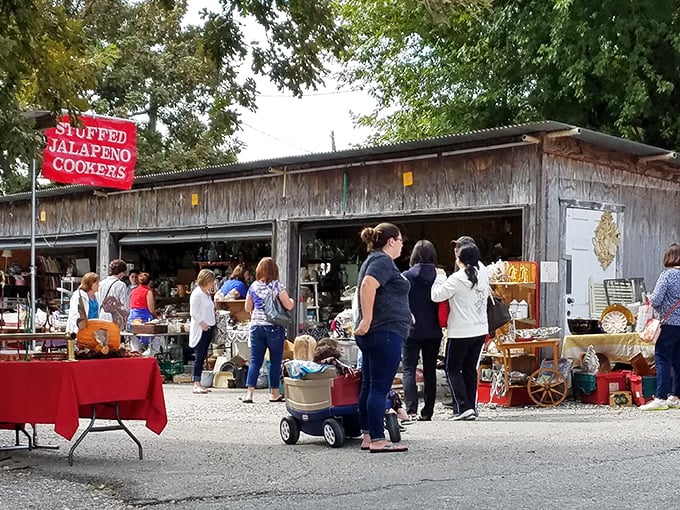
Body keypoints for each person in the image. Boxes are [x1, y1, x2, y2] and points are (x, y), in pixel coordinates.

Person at [354, 222, 411, 453]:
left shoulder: (373, 260)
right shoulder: (382, 261)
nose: (401, 245)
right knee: (379, 387)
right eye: (400, 241)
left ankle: (368, 435)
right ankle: (378, 439)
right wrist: (367, 319)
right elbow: (368, 286)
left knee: (369, 386)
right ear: (391, 241)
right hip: (384, 331)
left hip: (377, 331)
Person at [431, 243, 489, 421]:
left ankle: (463, 407)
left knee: (452, 368)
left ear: (459, 260)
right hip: (480, 328)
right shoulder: (484, 274)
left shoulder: (456, 278)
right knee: (470, 369)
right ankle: (471, 406)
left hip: (461, 330)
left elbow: (436, 295)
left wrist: (440, 277)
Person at [242, 257, 295, 403]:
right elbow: (288, 305)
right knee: (275, 361)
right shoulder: (276, 286)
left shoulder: (253, 286)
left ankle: (249, 394)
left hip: (256, 327)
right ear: (274, 271)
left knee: (255, 361)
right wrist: (292, 301)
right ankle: (274, 394)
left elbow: (247, 308)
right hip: (273, 327)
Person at [401, 240, 441, 422]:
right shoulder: (439, 276)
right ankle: (428, 411)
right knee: (430, 370)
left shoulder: (406, 276)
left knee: (409, 369)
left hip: (412, 329)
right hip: (434, 329)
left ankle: (411, 410)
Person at [641, 243, 680, 411]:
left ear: (668, 258)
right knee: (678, 360)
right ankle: (675, 396)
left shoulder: (666, 276)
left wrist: (650, 299)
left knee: (662, 358)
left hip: (669, 324)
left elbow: (656, 300)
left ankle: (661, 397)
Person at [189, 269, 217, 394]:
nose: (214, 283)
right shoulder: (197, 294)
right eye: (212, 281)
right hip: (202, 328)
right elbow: (193, 312)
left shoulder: (206, 293)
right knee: (199, 356)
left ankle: (199, 382)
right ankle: (196, 382)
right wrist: (202, 323)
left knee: (203, 354)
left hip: (208, 327)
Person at [97, 258, 130, 331]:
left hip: (101, 316)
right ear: (122, 273)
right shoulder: (121, 285)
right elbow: (124, 306)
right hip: (115, 318)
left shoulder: (101, 283)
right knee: (114, 340)